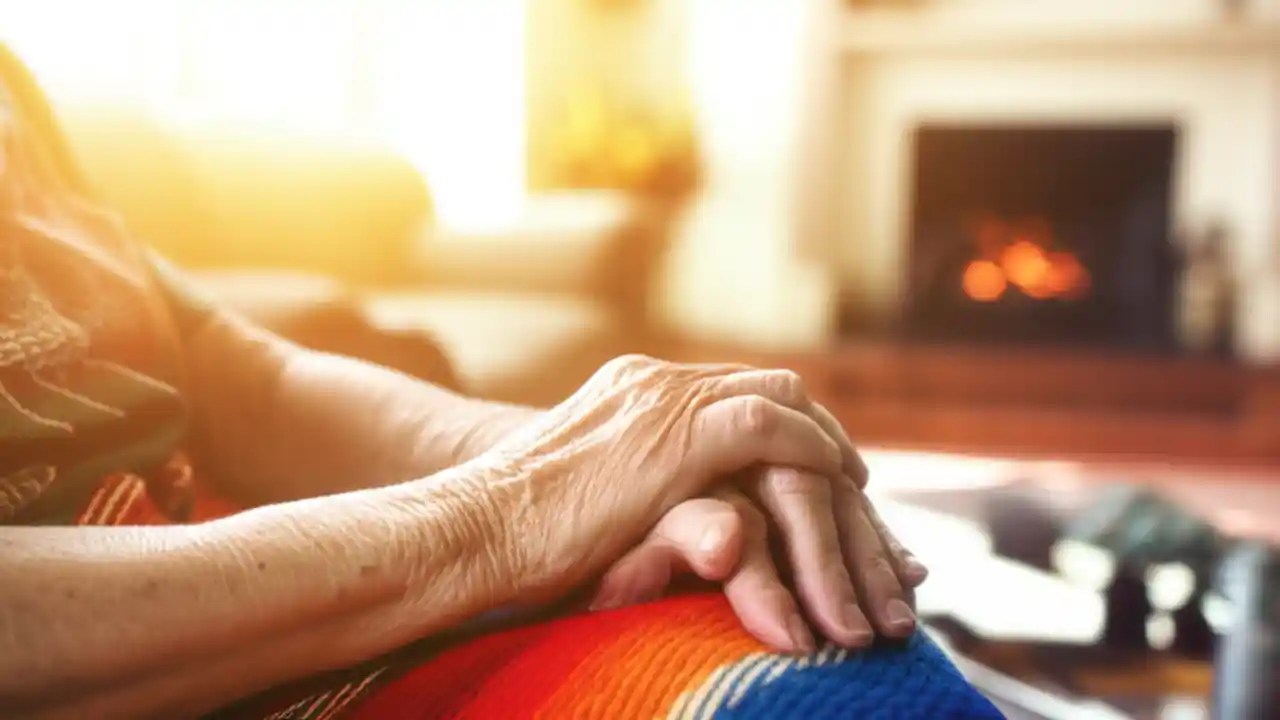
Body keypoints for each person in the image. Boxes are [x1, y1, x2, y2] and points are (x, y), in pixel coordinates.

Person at [0, 45, 956, 719]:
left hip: (227, 561)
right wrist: (498, 516)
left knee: (837, 654)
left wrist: (602, 465)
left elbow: (243, 382)